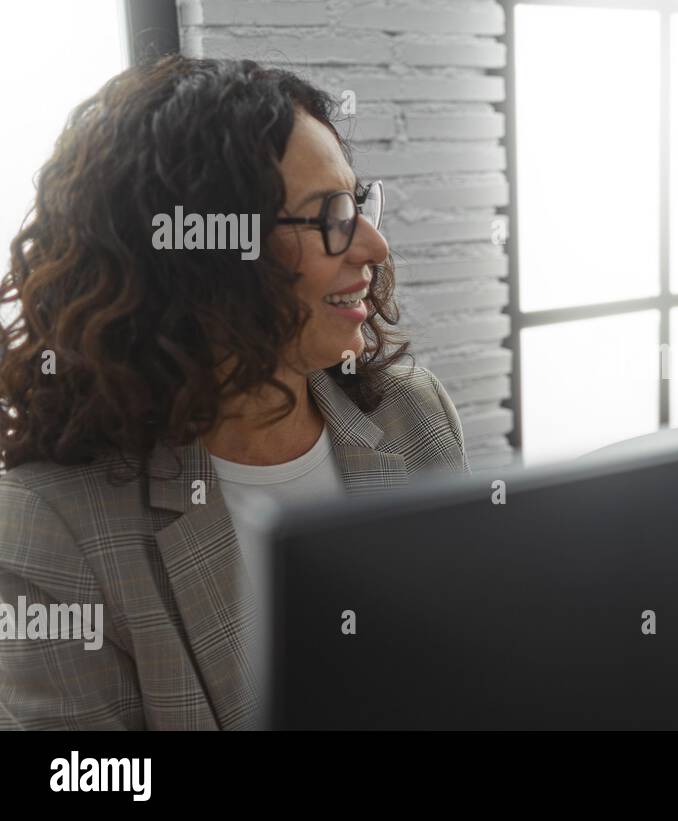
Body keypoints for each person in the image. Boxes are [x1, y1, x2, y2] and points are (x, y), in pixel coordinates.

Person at [0, 56, 467, 729]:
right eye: (329, 215)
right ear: (203, 257)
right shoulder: (50, 529)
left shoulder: (412, 414)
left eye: (357, 202)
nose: (373, 245)